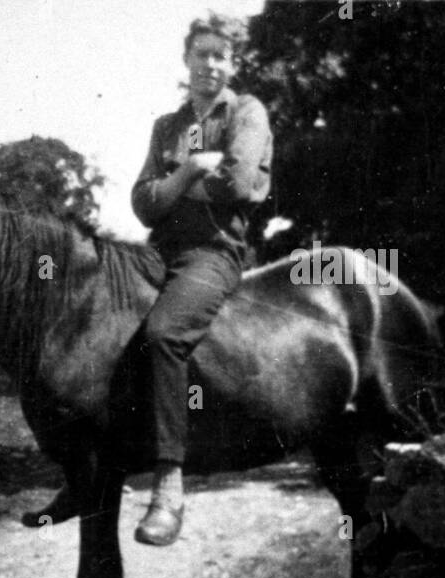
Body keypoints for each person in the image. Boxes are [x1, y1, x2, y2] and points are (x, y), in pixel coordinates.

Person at [129, 14, 272, 546]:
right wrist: (189, 170)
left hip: (213, 253)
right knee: (106, 316)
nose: (211, 64)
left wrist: (171, 186)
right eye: (202, 53)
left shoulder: (247, 112)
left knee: (164, 334)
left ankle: (168, 485)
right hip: (158, 249)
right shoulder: (166, 126)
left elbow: (236, 182)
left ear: (232, 63)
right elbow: (143, 204)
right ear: (186, 58)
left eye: (222, 55)